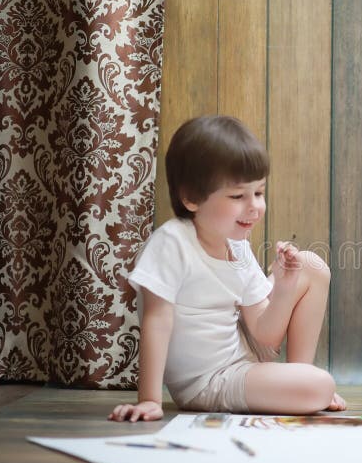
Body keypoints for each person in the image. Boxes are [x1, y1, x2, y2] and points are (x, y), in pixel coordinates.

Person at [109, 115, 345, 422]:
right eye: (238, 196)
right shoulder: (173, 242)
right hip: (210, 381)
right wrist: (150, 400)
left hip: (245, 355)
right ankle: (302, 386)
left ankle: (297, 377)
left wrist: (285, 288)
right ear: (192, 198)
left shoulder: (236, 244)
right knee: (321, 385)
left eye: (259, 193)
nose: (254, 206)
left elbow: (266, 335)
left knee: (311, 266)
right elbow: (157, 321)